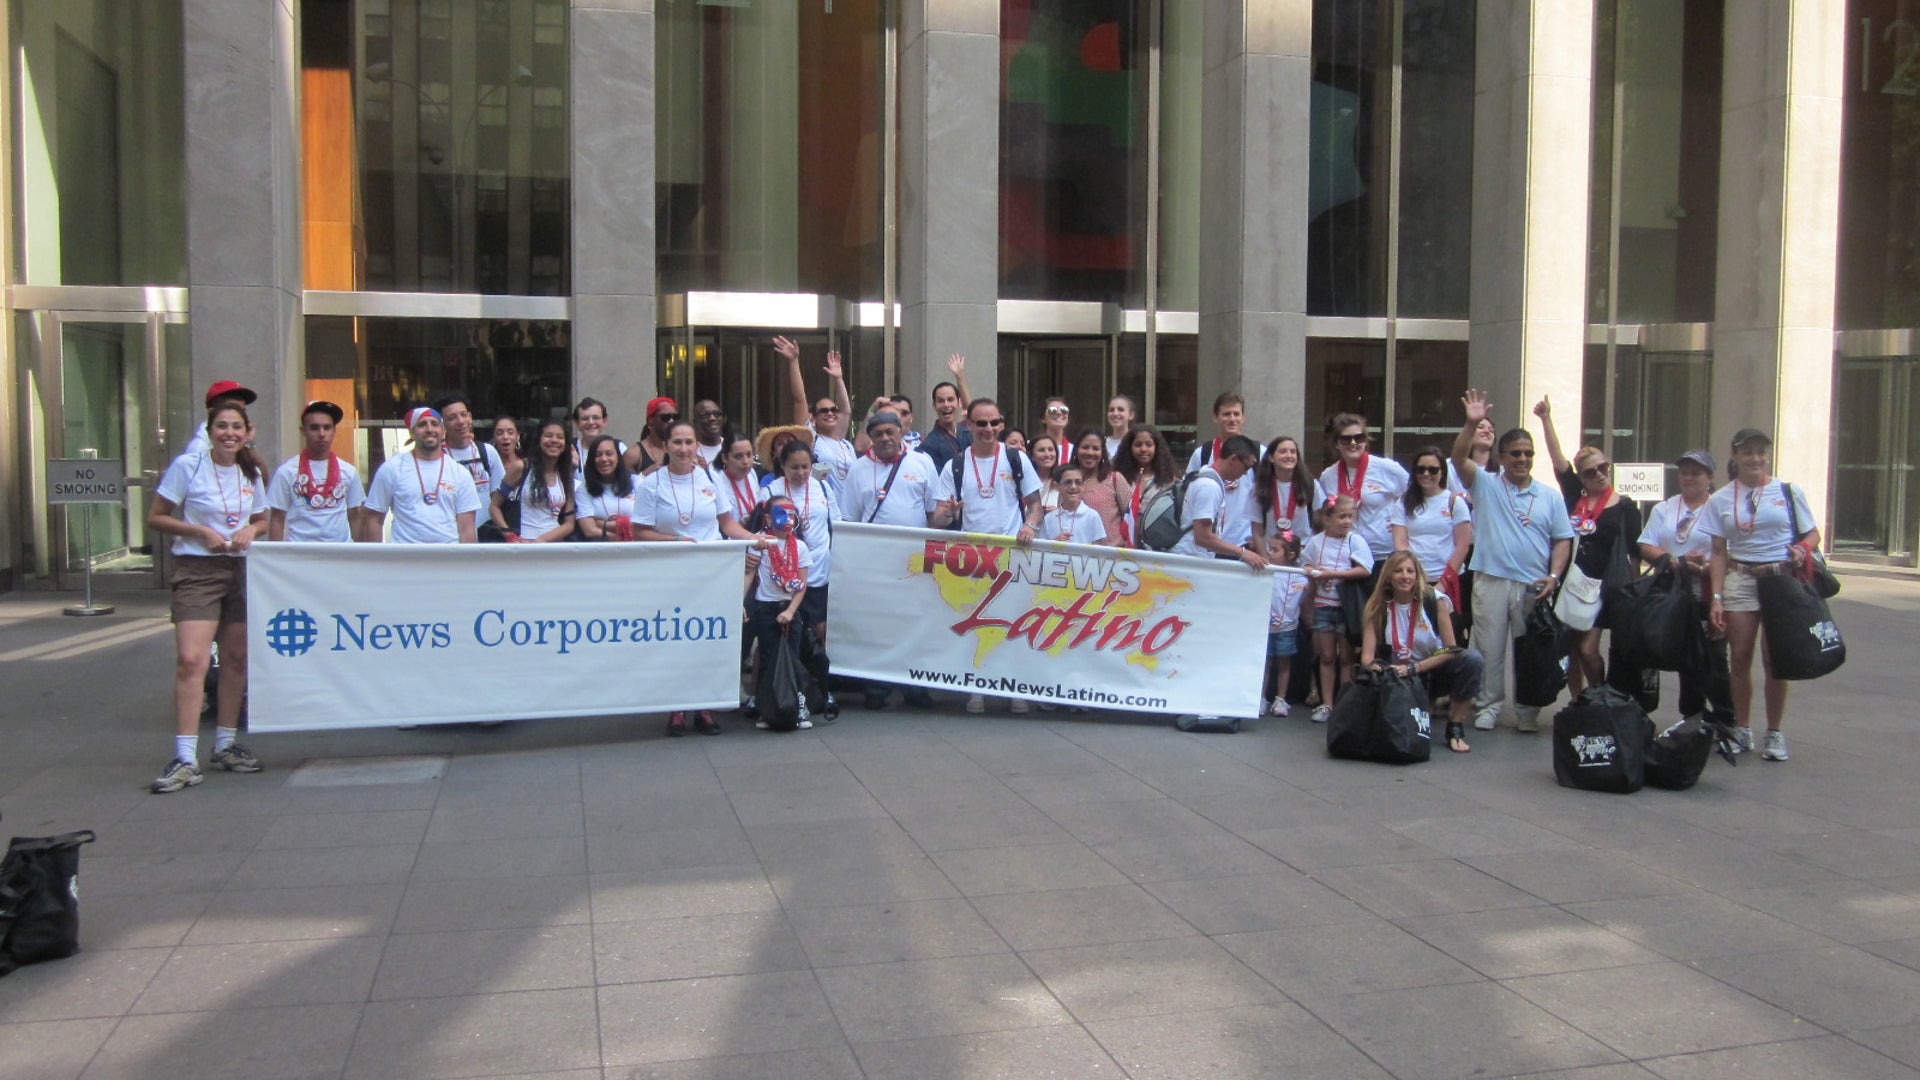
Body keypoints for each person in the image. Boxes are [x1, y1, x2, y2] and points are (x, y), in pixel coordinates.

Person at [147, 402, 269, 793]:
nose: (229, 433)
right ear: (210, 429)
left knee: (235, 659)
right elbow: (157, 516)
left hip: (239, 570)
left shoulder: (251, 470)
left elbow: (263, 517)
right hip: (198, 571)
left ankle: (226, 745)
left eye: (237, 426)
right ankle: (185, 757)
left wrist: (254, 530)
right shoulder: (189, 465)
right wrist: (199, 531)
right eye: (222, 426)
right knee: (191, 660)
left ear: (247, 431)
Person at [636, 419, 769, 735]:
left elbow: (728, 525)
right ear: (666, 446)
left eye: (689, 442)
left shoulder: (710, 479)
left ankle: (705, 708)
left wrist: (754, 538)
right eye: (677, 442)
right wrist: (676, 541)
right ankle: (677, 708)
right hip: (672, 575)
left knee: (708, 639)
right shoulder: (651, 485)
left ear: (697, 446)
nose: (683, 448)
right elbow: (640, 532)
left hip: (711, 575)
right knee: (677, 641)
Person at [1452, 389, 1574, 732]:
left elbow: (1562, 539)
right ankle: (1489, 705)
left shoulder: (1549, 496)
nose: (1523, 459)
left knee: (1530, 651)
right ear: (1502, 457)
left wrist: (1554, 574)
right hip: (1490, 577)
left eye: (1528, 453)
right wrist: (1471, 423)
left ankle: (1527, 710)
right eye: (1516, 454)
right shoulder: (1486, 484)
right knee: (1489, 648)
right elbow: (1459, 458)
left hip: (1532, 585)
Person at [1701, 428, 1819, 762]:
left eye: (1760, 452)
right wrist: (1717, 597)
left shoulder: (1787, 491)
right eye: (1747, 452)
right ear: (1735, 456)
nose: (1754, 458)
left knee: (1775, 660)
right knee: (1739, 656)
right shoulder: (1721, 498)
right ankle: (1742, 728)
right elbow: (1718, 551)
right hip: (1741, 578)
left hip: (1780, 579)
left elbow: (1812, 533)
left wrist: (1801, 548)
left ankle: (1775, 732)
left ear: (1767, 455)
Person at [932, 399, 1042, 714]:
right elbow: (938, 518)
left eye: (994, 423)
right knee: (977, 625)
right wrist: (948, 513)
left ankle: (1015, 688)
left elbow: (1034, 504)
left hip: (1012, 556)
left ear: (1002, 423)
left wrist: (1030, 526)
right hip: (973, 559)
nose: (988, 429)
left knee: (1015, 624)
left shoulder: (1016, 458)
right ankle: (976, 688)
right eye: (981, 424)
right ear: (969, 425)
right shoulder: (955, 465)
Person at [1535, 396, 1641, 693]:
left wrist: (1632, 591)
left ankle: (1600, 694)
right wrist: (1546, 419)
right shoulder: (1575, 497)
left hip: (1602, 586)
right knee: (1571, 648)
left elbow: (1635, 553)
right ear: (1581, 477)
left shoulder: (1626, 507)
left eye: (1603, 467)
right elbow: (1559, 462)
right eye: (1590, 471)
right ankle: (1579, 702)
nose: (1599, 474)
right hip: (1570, 583)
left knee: (1589, 649)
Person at [839, 410, 941, 710]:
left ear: (901, 432)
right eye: (878, 433)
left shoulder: (922, 463)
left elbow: (933, 513)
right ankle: (877, 686)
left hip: (915, 561)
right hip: (875, 563)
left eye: (890, 432)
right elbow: (850, 519)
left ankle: (915, 687)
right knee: (878, 625)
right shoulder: (858, 470)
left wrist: (946, 515)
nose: (885, 438)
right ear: (870, 437)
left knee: (915, 622)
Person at [1359, 550, 1484, 754]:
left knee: (1472, 659)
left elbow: (1451, 649)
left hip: (1430, 669)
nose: (1405, 576)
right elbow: (1367, 656)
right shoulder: (1377, 607)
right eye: (1398, 571)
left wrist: (1414, 668)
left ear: (1417, 575)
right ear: (1388, 576)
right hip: (1395, 676)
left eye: (1410, 571)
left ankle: (1455, 727)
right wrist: (1378, 668)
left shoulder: (1435, 600)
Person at [1639, 449, 1731, 724]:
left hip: (1706, 593)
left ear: (1710, 478)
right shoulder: (1665, 508)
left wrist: (1706, 570)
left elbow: (1726, 552)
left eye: (1696, 473)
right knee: (1681, 656)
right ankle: (1692, 717)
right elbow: (1645, 545)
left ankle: (1727, 719)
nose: (1689, 478)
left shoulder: (1719, 509)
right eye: (1685, 472)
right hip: (1670, 593)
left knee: (1713, 658)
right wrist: (1673, 561)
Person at [747, 494, 817, 732]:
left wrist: (790, 610)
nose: (787, 520)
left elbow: (802, 584)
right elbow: (748, 574)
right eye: (780, 514)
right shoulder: (760, 543)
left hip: (790, 610)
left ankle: (796, 709)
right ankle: (768, 709)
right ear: (767, 517)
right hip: (765, 609)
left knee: (794, 660)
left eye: (791, 514)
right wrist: (740, 602)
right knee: (768, 660)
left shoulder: (801, 547)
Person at [361, 407, 482, 544]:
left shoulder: (460, 473)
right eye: (422, 424)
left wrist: (467, 563)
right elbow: (374, 519)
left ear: (443, 432)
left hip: (448, 560)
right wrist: (375, 561)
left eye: (435, 424)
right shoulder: (391, 469)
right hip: (404, 560)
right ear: (412, 432)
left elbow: (467, 528)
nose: (430, 429)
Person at [1302, 494, 1373, 721]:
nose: (1347, 521)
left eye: (1350, 516)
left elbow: (1365, 569)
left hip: (1347, 606)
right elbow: (1305, 564)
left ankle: (1345, 703)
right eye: (1342, 516)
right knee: (1327, 656)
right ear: (1327, 518)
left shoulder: (1355, 540)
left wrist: (1333, 574)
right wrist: (1313, 572)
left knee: (1346, 658)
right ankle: (1327, 704)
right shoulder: (1316, 542)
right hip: (1323, 605)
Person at [1318, 412, 1409, 571]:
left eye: (1358, 438)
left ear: (1365, 440)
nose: (1353, 443)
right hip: (1346, 555)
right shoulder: (1328, 476)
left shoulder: (1387, 468)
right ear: (1337, 443)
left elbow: (1414, 497)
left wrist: (1401, 523)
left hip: (1382, 554)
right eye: (1346, 439)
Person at [265, 400, 365, 543]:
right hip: (300, 554)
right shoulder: (286, 472)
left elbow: (355, 516)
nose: (322, 433)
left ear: (334, 431)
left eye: (327, 427)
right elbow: (277, 518)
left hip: (340, 554)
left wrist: (360, 556)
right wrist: (276, 558)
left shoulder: (349, 471)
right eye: (314, 428)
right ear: (303, 431)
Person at [1389, 446, 1473, 612]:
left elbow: (1462, 546)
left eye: (1433, 470)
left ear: (1442, 472)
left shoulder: (1454, 502)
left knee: (1449, 634)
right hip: (1414, 581)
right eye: (1421, 469)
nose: (1426, 474)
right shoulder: (1403, 503)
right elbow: (1400, 544)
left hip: (1450, 580)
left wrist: (1443, 584)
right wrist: (1413, 578)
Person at [1171, 435, 1269, 571]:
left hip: (1190, 560)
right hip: (1190, 562)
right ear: (1233, 459)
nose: (1246, 474)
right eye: (1246, 467)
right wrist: (1242, 553)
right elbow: (1203, 537)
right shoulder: (1209, 486)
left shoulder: (1204, 475)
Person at [779, 337, 855, 495]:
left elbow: (846, 410)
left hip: (846, 513)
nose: (830, 413)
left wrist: (838, 378)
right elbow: (800, 401)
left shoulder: (844, 443)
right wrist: (794, 361)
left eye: (833, 410)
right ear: (813, 418)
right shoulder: (812, 439)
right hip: (819, 504)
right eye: (824, 411)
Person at [1187, 393, 1263, 551]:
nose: (1232, 419)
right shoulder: (1203, 454)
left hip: (1245, 542)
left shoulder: (1259, 452)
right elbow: (1187, 494)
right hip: (1208, 544)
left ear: (1243, 418)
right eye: (1226, 414)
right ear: (1215, 417)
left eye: (1236, 414)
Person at [494, 420, 576, 543]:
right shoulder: (522, 467)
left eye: (560, 437)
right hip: (524, 545)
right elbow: (494, 506)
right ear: (539, 439)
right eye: (548, 436)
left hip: (555, 546)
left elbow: (569, 524)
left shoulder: (566, 475)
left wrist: (541, 540)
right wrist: (509, 535)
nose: (554, 440)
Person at [1262, 534, 1309, 718]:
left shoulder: (1301, 577)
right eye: (1270, 549)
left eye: (1275, 550)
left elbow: (1306, 597)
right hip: (1265, 627)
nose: (1270, 553)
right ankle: (1261, 697)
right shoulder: (1265, 571)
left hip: (1287, 628)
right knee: (1265, 662)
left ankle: (1280, 698)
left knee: (1284, 663)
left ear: (1290, 555)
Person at [436, 392, 505, 504]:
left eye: (464, 415)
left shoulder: (487, 452)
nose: (461, 421)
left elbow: (499, 497)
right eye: (452, 418)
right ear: (442, 424)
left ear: (470, 417)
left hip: (488, 521)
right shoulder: (438, 457)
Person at [1117, 425, 1178, 550]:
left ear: (1157, 448)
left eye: (1149, 445)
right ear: (1129, 448)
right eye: (1138, 445)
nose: (1143, 449)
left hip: (1156, 546)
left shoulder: (1170, 479)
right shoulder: (1118, 476)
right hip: (1123, 543)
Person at [1252, 435, 1317, 551]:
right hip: (1272, 557)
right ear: (1271, 457)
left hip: (1304, 559)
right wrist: (1266, 560)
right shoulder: (1259, 488)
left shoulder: (1311, 485)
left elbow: (1321, 522)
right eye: (1283, 452)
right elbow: (1257, 532)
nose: (1289, 456)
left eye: (1293, 452)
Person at [1069, 429, 1130, 546]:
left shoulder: (1115, 479)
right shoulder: (1066, 482)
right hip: (1077, 555)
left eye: (1096, 448)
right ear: (1076, 450)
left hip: (1113, 556)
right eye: (1085, 447)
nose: (1090, 452)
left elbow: (1131, 519)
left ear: (1102, 453)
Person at [575, 435, 638, 541]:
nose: (604, 459)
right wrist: (622, 537)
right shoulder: (583, 489)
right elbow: (589, 530)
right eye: (598, 455)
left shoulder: (636, 482)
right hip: (602, 551)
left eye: (609, 454)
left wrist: (601, 523)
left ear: (618, 457)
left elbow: (644, 523)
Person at [919, 354, 976, 470]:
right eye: (941, 401)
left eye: (950, 400)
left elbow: (974, 415)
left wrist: (960, 377)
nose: (946, 405)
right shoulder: (929, 444)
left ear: (959, 402)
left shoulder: (968, 431)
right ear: (934, 405)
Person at [1034, 461, 1109, 546]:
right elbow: (1042, 548)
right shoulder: (1049, 518)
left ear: (1083, 485)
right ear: (1057, 486)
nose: (1073, 487)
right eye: (1068, 482)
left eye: (1078, 482)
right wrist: (1053, 544)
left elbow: (1099, 550)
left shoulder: (1092, 516)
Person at [179, 380, 257, 459]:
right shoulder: (199, 449)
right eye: (233, 409)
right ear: (211, 413)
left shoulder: (237, 441)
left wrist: (249, 443)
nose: (239, 415)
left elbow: (257, 470)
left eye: (242, 411)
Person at [572, 396, 641, 476]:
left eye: (596, 418)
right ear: (577, 423)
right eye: (585, 419)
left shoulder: (618, 447)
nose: (591, 422)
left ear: (604, 420)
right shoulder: (570, 448)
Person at [487, 415, 528, 541]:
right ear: (494, 438)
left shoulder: (527, 466)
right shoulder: (486, 467)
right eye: (500, 433)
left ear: (518, 436)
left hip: (523, 532)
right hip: (492, 533)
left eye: (510, 432)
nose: (505, 437)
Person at [718, 432, 763, 525]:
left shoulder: (752, 474)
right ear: (725, 458)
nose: (745, 461)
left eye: (749, 455)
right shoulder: (718, 481)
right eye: (738, 456)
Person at [634, 397, 678, 475]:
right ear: (651, 421)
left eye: (675, 417)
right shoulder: (634, 454)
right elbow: (625, 485)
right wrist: (643, 474)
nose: (672, 421)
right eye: (666, 417)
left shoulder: (684, 450)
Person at [1026, 435, 1062, 513]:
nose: (1047, 454)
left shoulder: (1063, 482)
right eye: (1041, 450)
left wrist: (1058, 512)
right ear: (1032, 456)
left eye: (1050, 449)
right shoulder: (1024, 482)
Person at [691, 400, 731, 467]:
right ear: (695, 422)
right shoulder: (689, 450)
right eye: (706, 415)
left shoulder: (731, 447)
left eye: (717, 414)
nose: (712, 418)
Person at [1103, 395, 1137, 461]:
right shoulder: (1102, 443)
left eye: (1120, 410)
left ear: (1131, 415)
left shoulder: (1136, 443)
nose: (1115, 414)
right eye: (1111, 410)